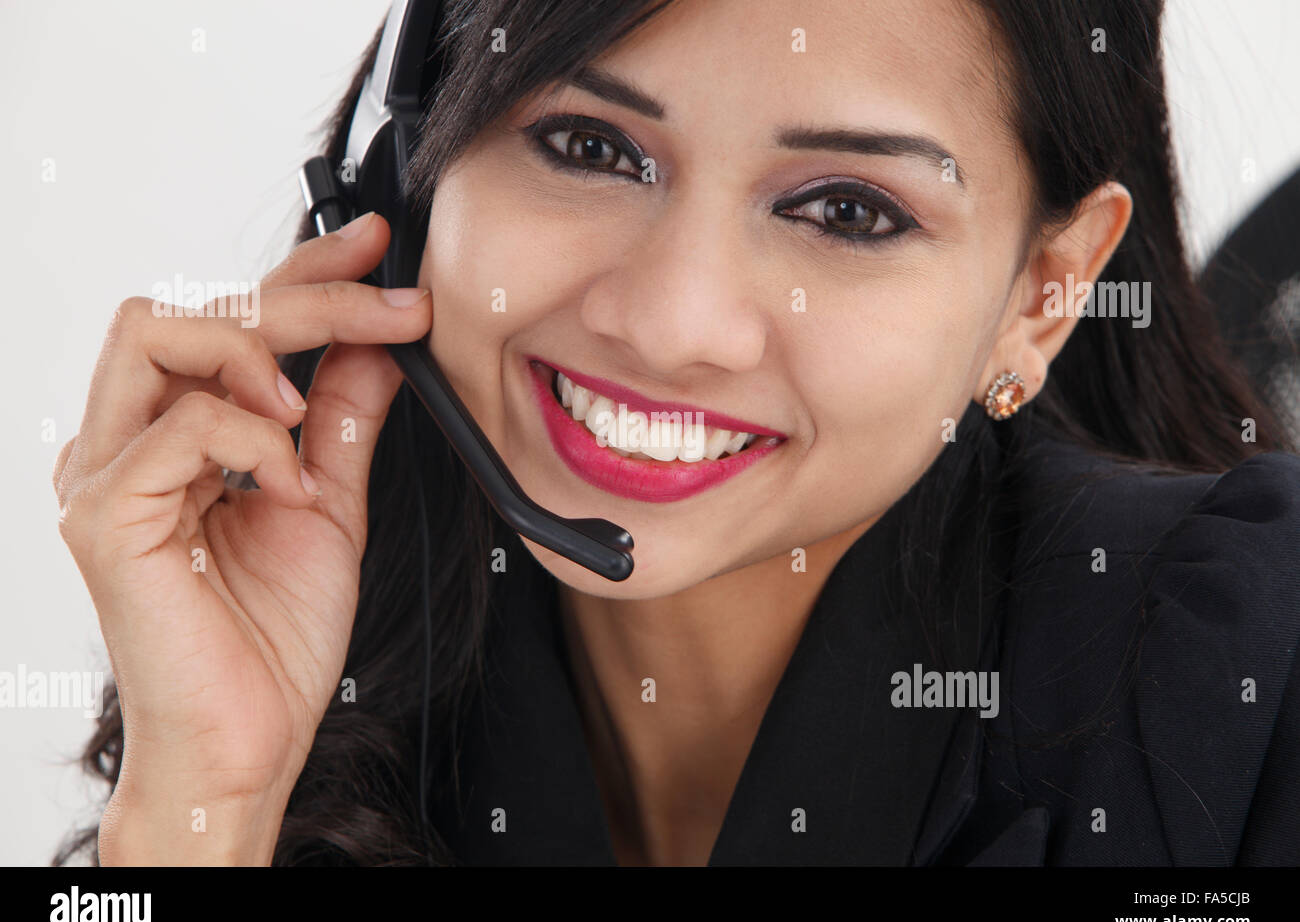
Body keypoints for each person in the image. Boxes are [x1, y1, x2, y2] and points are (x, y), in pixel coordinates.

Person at [52, 0, 1300, 866]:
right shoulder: (323, 644)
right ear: (405, 170)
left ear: (1042, 296)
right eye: (588, 145)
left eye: (847, 211)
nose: (669, 324)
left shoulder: (1257, 679)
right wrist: (200, 807)